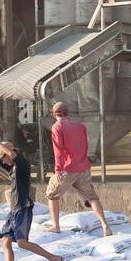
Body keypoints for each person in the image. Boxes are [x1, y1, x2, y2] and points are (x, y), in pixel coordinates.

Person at [0, 132, 62, 261]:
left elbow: (9, 153)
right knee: (5, 241)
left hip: (23, 208)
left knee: (22, 243)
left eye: (3, 157)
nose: (2, 161)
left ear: (9, 155)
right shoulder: (11, 168)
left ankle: (54, 259)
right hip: (14, 209)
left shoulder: (22, 164)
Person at [44, 100, 114, 236]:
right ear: (68, 112)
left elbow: (58, 150)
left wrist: (58, 169)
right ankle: (105, 225)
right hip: (83, 167)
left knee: (52, 195)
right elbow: (85, 146)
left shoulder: (57, 127)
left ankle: (55, 226)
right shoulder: (80, 126)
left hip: (67, 168)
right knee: (92, 197)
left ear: (54, 114)